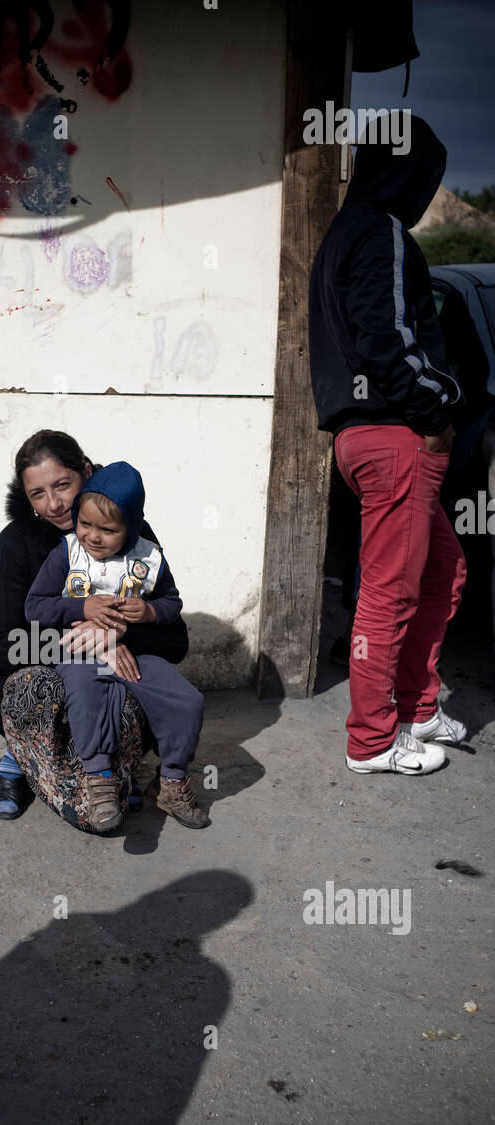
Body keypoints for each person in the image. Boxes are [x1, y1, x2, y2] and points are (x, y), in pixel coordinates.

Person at [309, 114, 467, 775]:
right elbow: (389, 336)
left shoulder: (342, 234)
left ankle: (418, 706)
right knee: (389, 591)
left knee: (441, 571)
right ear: (408, 170)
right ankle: (373, 740)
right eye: (427, 176)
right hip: (394, 435)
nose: (427, 191)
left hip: (361, 438)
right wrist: (437, 406)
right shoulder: (382, 232)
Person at [0, 431, 189, 820]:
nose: (55, 503)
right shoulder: (14, 544)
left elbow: (176, 641)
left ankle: (111, 768)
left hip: (106, 684)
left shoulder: (130, 534)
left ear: (87, 472)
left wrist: (119, 630)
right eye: (37, 494)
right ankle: (20, 758)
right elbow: (2, 647)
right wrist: (95, 642)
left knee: (127, 681)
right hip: (48, 682)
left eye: (63, 485)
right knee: (41, 687)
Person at [25, 461, 208, 832]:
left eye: (108, 530)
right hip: (80, 652)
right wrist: (82, 606)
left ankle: (171, 781)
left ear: (131, 527)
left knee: (187, 701)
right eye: (86, 523)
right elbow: (35, 606)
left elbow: (173, 604)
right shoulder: (66, 553)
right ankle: (100, 781)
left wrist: (150, 611)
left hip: (135, 653)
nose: (93, 536)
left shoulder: (149, 558)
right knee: (86, 690)